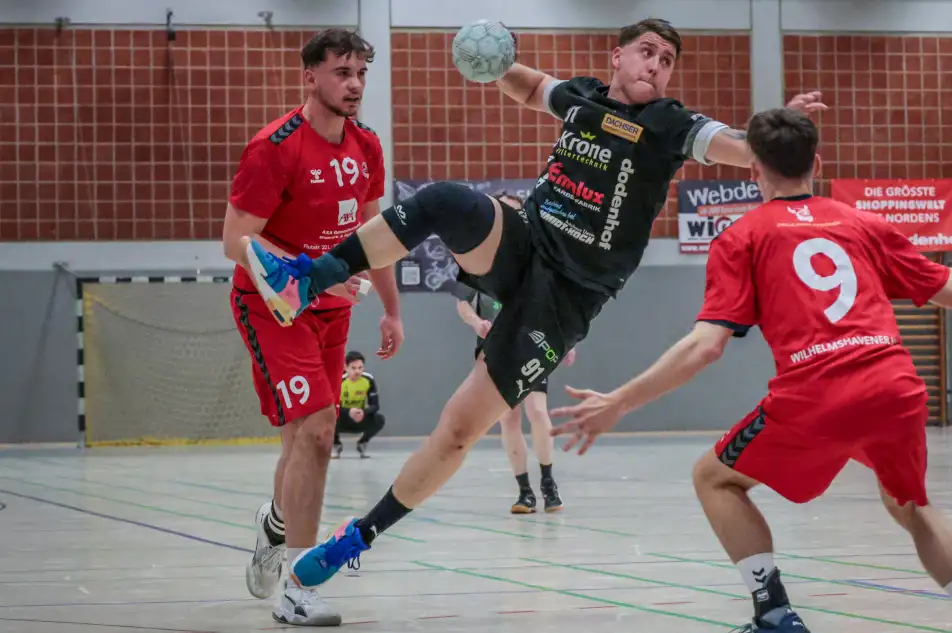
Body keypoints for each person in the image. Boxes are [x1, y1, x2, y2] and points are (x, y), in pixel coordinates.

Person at [237, 18, 827, 587]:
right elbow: (531, 87)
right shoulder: (581, 97)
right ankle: (308, 280)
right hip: (526, 243)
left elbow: (731, 144)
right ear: (617, 57)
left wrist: (776, 131)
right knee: (443, 200)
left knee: (459, 430)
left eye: (668, 60)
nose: (657, 65)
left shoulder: (668, 124)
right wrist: (493, 64)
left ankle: (355, 539)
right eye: (647, 51)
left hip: (568, 298)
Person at [550, 109, 952, 633]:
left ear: (754, 172)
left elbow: (705, 347)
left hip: (818, 391)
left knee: (713, 476)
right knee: (912, 505)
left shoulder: (740, 237)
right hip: (893, 385)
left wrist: (618, 401)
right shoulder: (861, 223)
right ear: (816, 164)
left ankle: (776, 622)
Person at [221, 28, 403, 627]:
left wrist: (392, 308)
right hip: (273, 309)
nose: (354, 85)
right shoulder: (274, 147)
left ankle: (276, 525)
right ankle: (300, 584)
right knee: (320, 431)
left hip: (333, 309)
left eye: (360, 74)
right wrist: (315, 278)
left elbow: (374, 235)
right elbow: (236, 240)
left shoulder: (367, 147)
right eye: (341, 73)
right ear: (311, 76)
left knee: (305, 441)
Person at [453, 192, 578, 513]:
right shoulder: (477, 256)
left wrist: (567, 340)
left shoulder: (537, 256)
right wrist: (476, 322)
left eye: (515, 212)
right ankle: (525, 491)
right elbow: (463, 302)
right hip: (495, 344)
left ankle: (549, 485)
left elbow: (559, 300)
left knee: (537, 410)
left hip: (533, 340)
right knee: (508, 417)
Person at [333, 350, 386, 459]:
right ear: (346, 368)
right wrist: (349, 412)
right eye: (353, 368)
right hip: (341, 419)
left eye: (360, 368)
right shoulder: (338, 380)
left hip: (359, 418)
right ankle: (336, 444)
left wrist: (364, 412)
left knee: (380, 419)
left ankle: (362, 443)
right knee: (326, 418)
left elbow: (375, 405)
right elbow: (332, 407)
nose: (357, 371)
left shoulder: (368, 380)